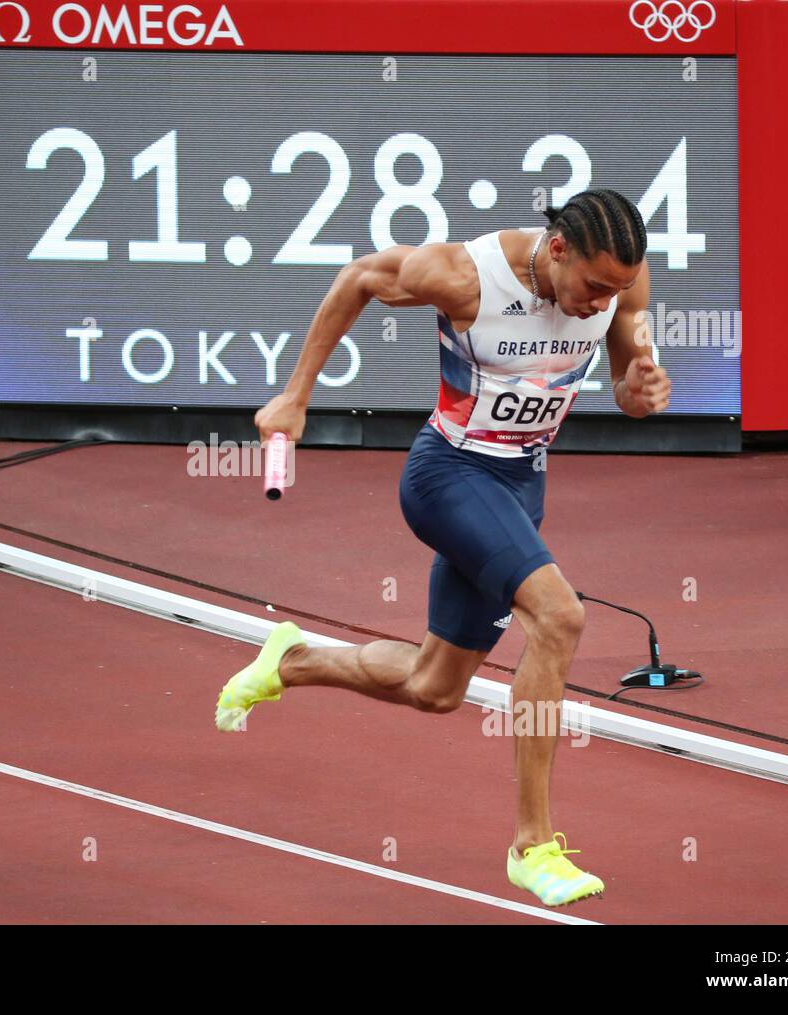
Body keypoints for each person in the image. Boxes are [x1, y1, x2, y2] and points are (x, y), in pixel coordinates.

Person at [215, 189, 671, 908]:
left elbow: (630, 375)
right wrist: (296, 395)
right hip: (449, 474)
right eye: (593, 287)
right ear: (557, 250)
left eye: (617, 288)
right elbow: (360, 277)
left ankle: (291, 661)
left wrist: (641, 382)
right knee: (560, 617)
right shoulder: (464, 276)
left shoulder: (622, 279)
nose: (602, 302)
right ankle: (533, 846)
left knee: (435, 687)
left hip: (521, 486)